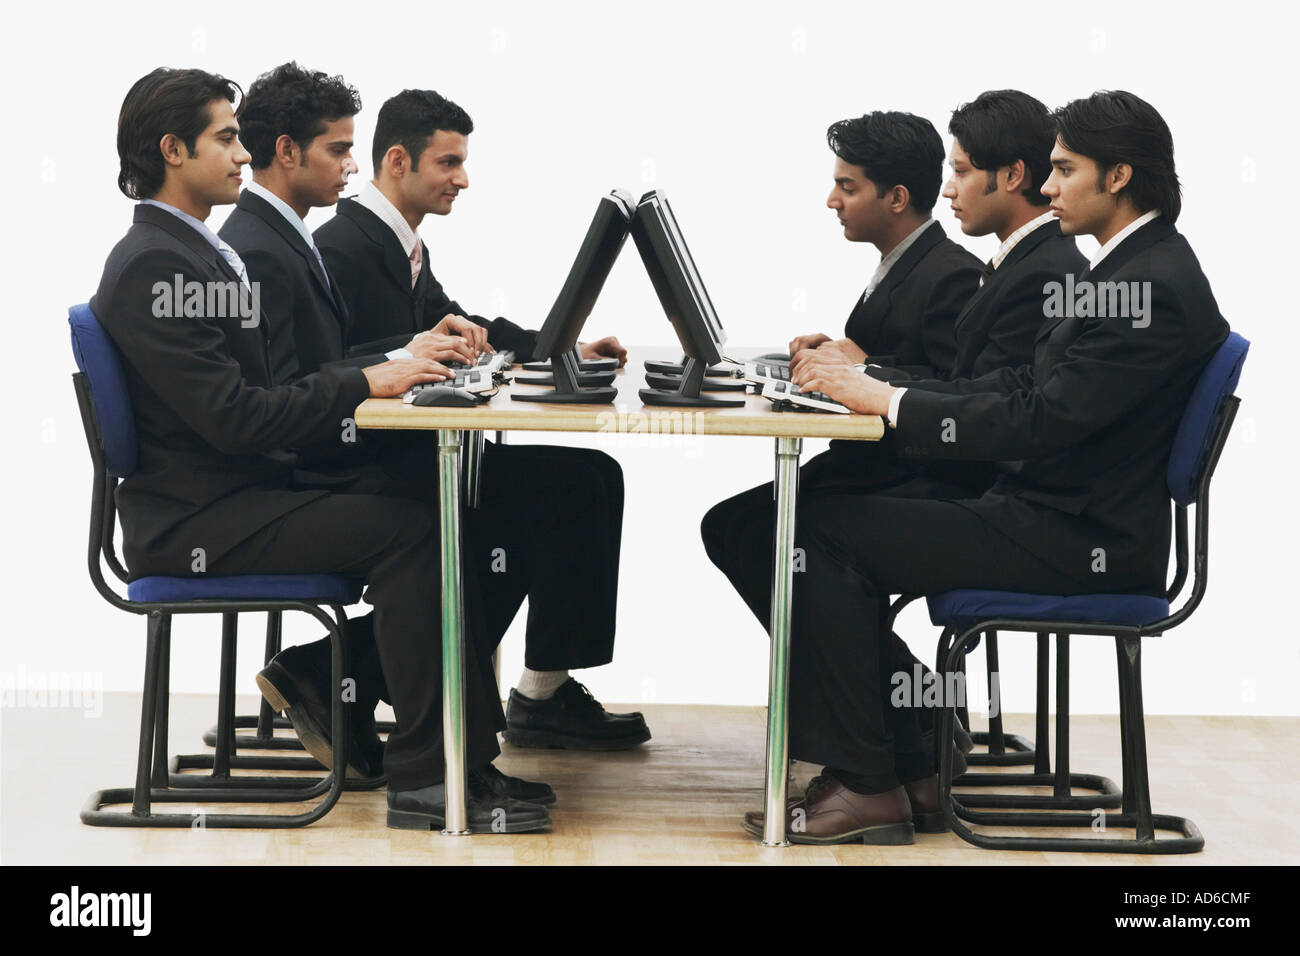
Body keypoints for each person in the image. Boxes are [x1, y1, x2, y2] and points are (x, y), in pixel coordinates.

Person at [743, 90, 1230, 845]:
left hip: (1076, 537)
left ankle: (878, 781)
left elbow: (1038, 420)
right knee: (809, 524)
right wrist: (888, 391)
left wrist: (888, 400)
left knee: (821, 535)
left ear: (1120, 176)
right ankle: (912, 763)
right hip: (1050, 514)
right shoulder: (1131, 267)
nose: (1049, 186)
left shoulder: (1150, 288)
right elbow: (1024, 389)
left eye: (1066, 170)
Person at [93, 67, 551, 833]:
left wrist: (384, 367)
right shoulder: (155, 266)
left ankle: (459, 760)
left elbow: (275, 383)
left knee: (432, 515)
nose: (245, 155)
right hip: (196, 521)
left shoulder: (195, 252)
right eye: (226, 138)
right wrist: (370, 377)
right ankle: (428, 778)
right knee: (416, 530)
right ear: (173, 150)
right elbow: (240, 417)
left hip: (232, 499)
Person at [314, 87, 650, 750]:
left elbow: (461, 323)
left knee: (576, 483)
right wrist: (405, 356)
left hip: (405, 451)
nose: (462, 179)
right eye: (448, 163)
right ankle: (326, 672)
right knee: (553, 496)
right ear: (399, 162)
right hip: (365, 466)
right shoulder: (345, 247)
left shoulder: (398, 242)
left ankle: (541, 692)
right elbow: (322, 365)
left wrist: (559, 349)